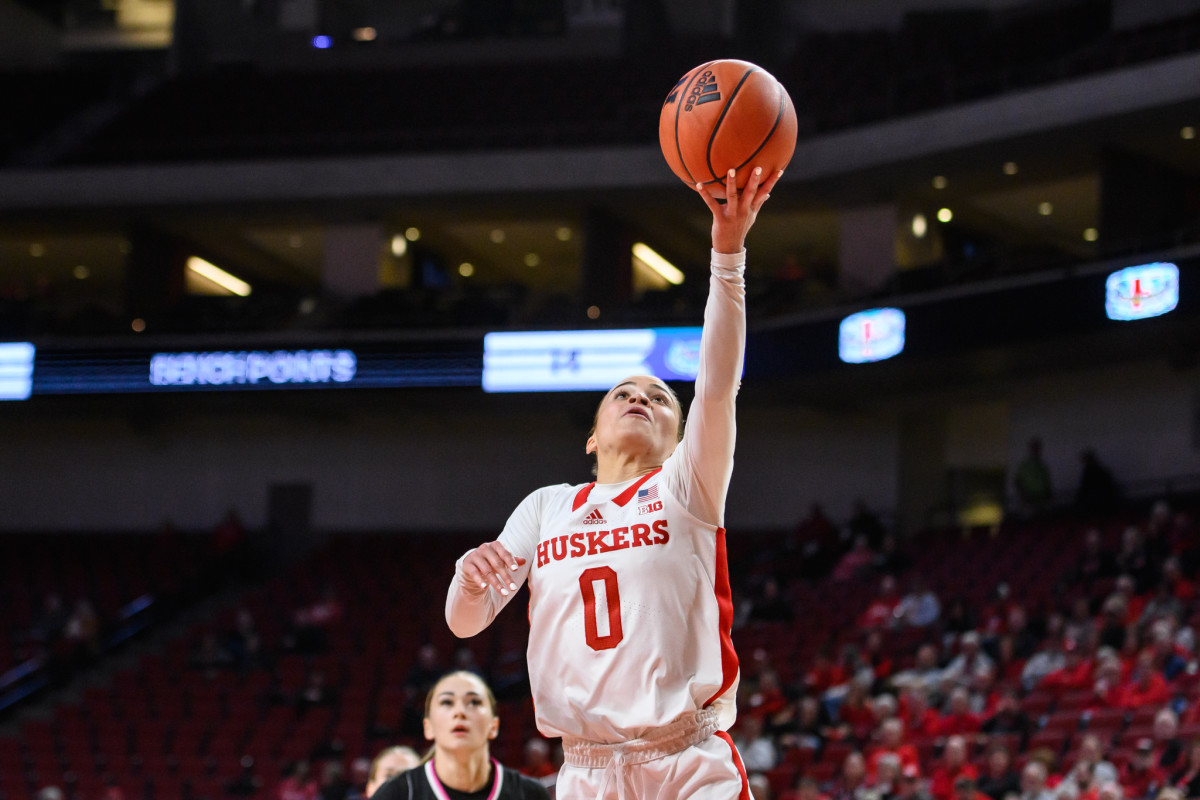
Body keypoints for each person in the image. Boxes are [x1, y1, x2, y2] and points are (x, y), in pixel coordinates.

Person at [445, 166, 783, 799]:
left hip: (687, 762)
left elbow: (716, 381)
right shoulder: (547, 507)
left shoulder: (686, 487)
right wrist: (467, 576)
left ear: (680, 438)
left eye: (658, 396)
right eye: (622, 394)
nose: (640, 397)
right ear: (593, 436)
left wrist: (728, 251)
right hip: (586, 772)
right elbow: (465, 623)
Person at [370, 671, 551, 800]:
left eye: (474, 701)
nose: (460, 712)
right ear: (428, 727)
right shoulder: (398, 792)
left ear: (494, 725)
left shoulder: (529, 793)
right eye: (447, 702)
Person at [1014, 438, 1053, 515]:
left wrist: (1048, 495)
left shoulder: (1043, 466)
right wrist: (1023, 495)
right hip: (1028, 499)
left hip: (1042, 499)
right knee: (1029, 521)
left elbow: (1047, 483)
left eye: (1037, 448)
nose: (1036, 450)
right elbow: (1017, 481)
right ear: (1030, 449)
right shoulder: (1024, 465)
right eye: (1034, 448)